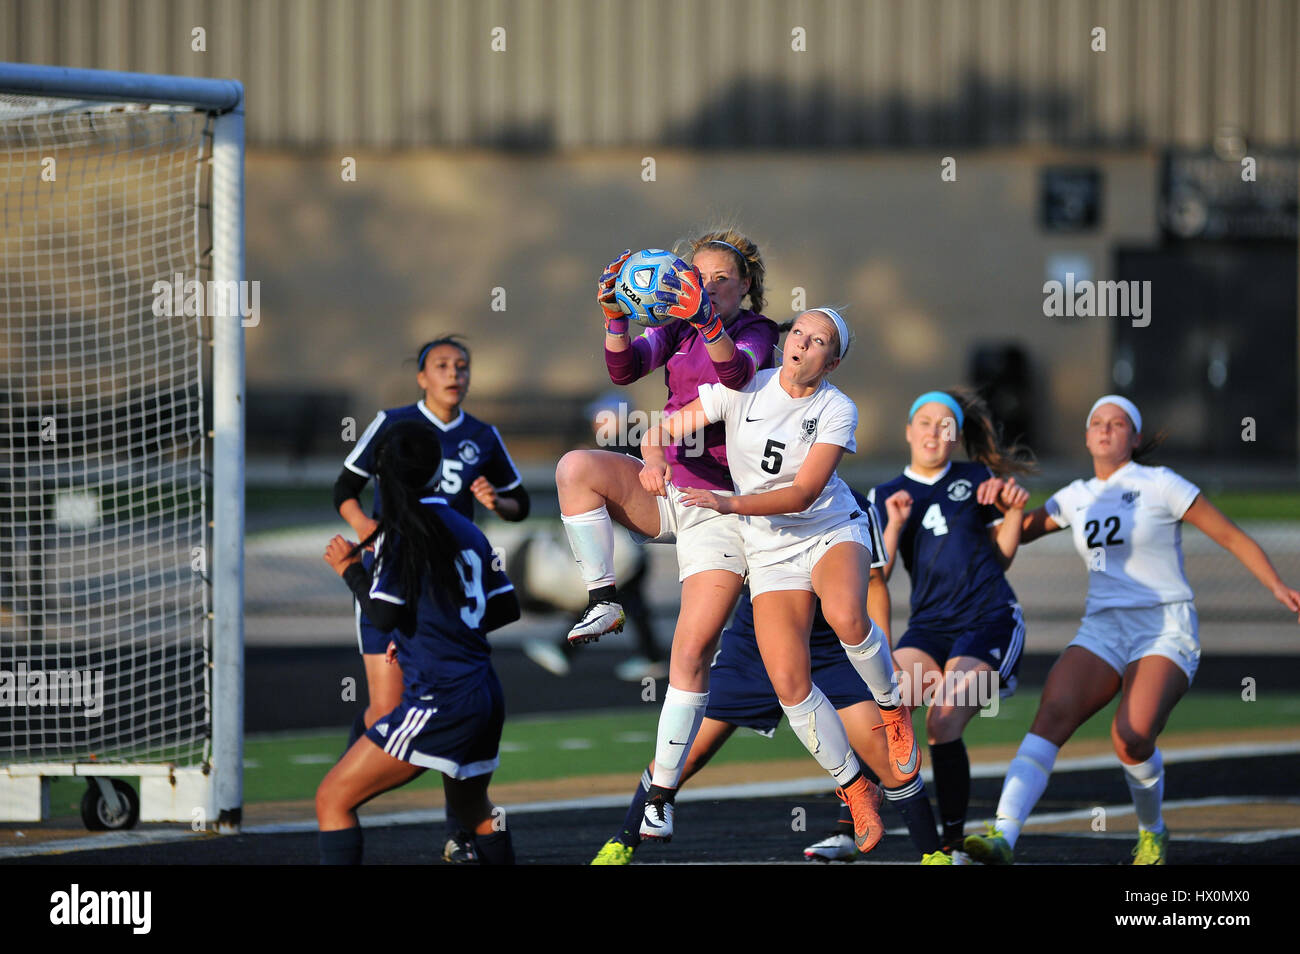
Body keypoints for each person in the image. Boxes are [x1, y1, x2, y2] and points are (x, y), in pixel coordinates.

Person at [964, 395, 1300, 865]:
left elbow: (1229, 534)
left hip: (1164, 624)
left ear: (1135, 437)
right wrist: (990, 504)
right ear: (1085, 437)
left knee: (1132, 735)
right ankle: (1003, 836)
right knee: (1051, 715)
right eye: (1096, 422)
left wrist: (1278, 585)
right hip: (1103, 628)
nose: (1105, 429)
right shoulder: (1076, 495)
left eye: (1117, 423)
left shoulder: (1159, 483)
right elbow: (1011, 534)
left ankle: (1152, 833)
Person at [639, 307, 915, 849]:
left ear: (830, 362)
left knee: (845, 615)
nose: (802, 344)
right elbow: (660, 430)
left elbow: (803, 494)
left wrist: (725, 501)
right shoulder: (742, 388)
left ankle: (892, 705)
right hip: (771, 548)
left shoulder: (837, 409)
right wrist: (653, 459)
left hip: (829, 528)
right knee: (790, 685)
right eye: (799, 333)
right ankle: (855, 789)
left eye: (818, 342)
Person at [555, 229, 778, 836]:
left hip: (724, 507)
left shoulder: (758, 332)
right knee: (576, 467)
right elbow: (623, 369)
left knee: (689, 653)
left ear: (746, 287)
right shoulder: (678, 327)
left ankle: (660, 794)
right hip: (667, 488)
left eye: (720, 280)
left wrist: (707, 320)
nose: (705, 287)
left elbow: (734, 378)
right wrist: (613, 319)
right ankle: (604, 601)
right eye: (696, 277)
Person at [592, 502, 951, 865]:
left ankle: (933, 853)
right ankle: (622, 843)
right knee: (685, 751)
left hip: (827, 652)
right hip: (752, 649)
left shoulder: (848, 502)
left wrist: (880, 663)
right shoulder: (743, 495)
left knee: (886, 752)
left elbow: (874, 583)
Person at [334, 335, 529, 862]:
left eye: (462, 365)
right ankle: (364, 786)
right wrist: (375, 539)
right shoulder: (393, 424)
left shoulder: (480, 436)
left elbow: (520, 504)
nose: (453, 373)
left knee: (421, 719)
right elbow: (343, 490)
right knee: (386, 707)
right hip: (390, 579)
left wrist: (497, 500)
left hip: (438, 590)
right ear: (421, 376)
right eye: (441, 365)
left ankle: (448, 829)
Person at [869, 389, 1034, 857]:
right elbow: (875, 576)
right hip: (929, 627)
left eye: (945, 425)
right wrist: (896, 525)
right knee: (884, 712)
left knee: (943, 721)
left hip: (986, 618)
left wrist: (1014, 509)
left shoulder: (978, 478)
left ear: (957, 437)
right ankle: (850, 827)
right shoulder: (884, 495)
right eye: (925, 421)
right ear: (908, 431)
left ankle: (954, 841)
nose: (934, 431)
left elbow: (1000, 560)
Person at [523, 394, 664, 680]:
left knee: (602, 596)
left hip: (622, 545)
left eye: (601, 417)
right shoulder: (625, 444)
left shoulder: (620, 447)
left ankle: (565, 649)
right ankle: (650, 656)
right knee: (625, 602)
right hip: (627, 545)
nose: (596, 423)